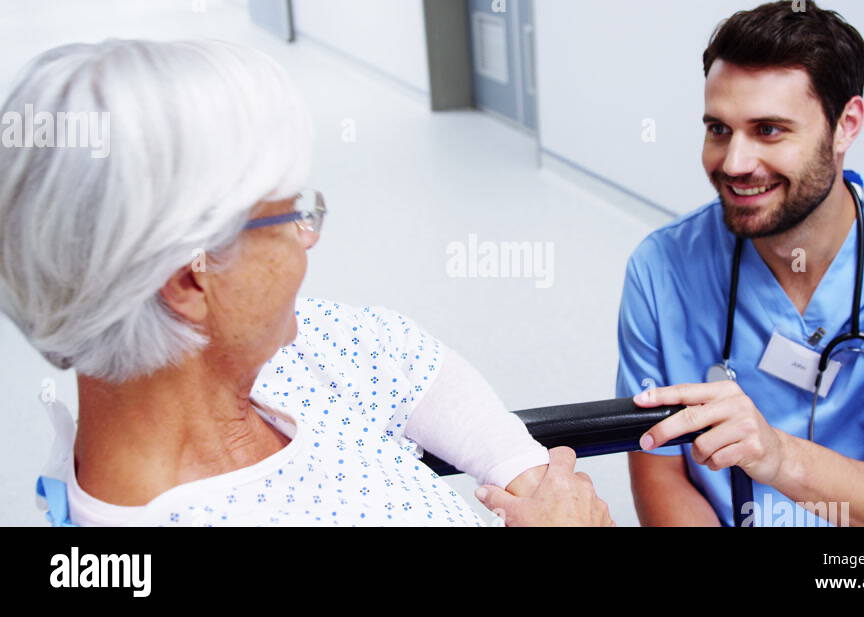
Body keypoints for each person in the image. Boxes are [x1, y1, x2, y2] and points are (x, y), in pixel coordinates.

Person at [0, 39, 612, 527]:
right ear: (191, 276)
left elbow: (406, 361)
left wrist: (529, 475)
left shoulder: (256, 352)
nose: (311, 235)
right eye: (291, 214)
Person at [618, 0, 864, 526]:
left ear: (846, 124)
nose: (734, 163)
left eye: (769, 130)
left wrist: (778, 456)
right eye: (719, 129)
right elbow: (661, 474)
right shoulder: (662, 269)